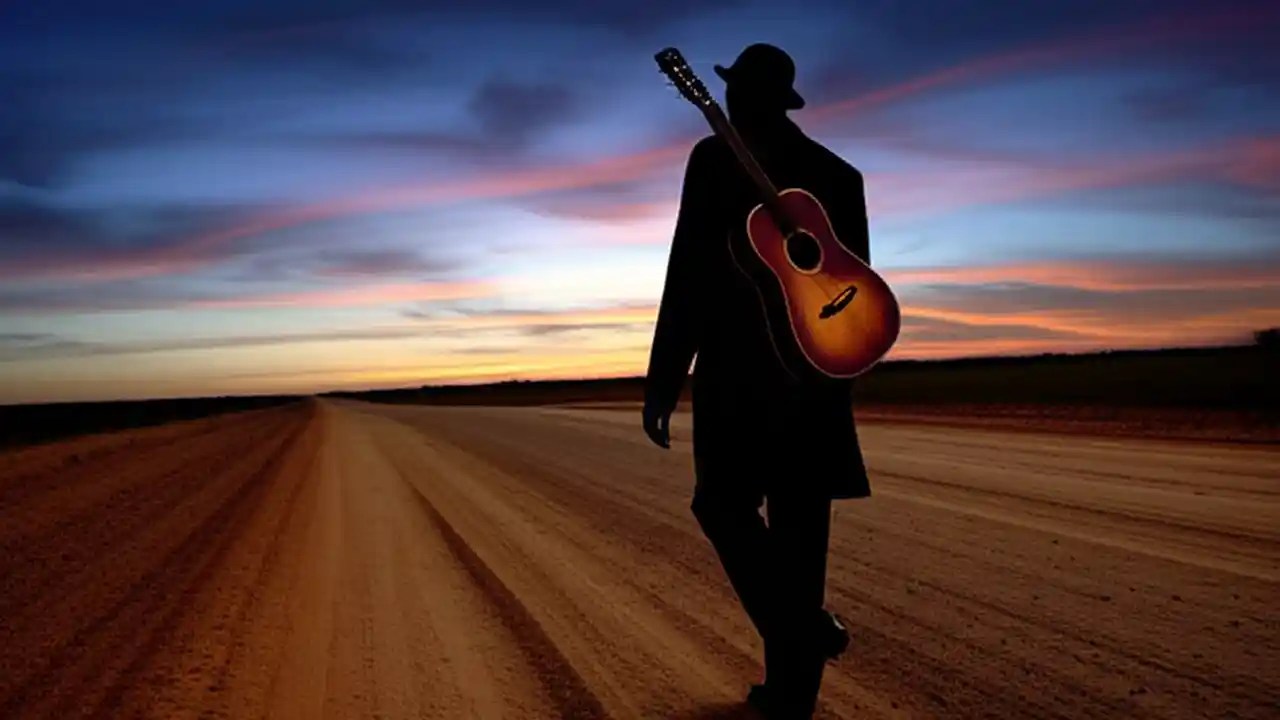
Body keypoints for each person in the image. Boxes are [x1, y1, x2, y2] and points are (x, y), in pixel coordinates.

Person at [642, 43, 871, 719]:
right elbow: (858, 299)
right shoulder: (839, 173)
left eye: (743, 93)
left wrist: (664, 379)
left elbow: (686, 273)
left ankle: (794, 662)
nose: (737, 105)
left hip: (743, 376)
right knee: (796, 537)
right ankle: (796, 672)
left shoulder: (714, 162)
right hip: (808, 384)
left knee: (726, 508)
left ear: (751, 97)